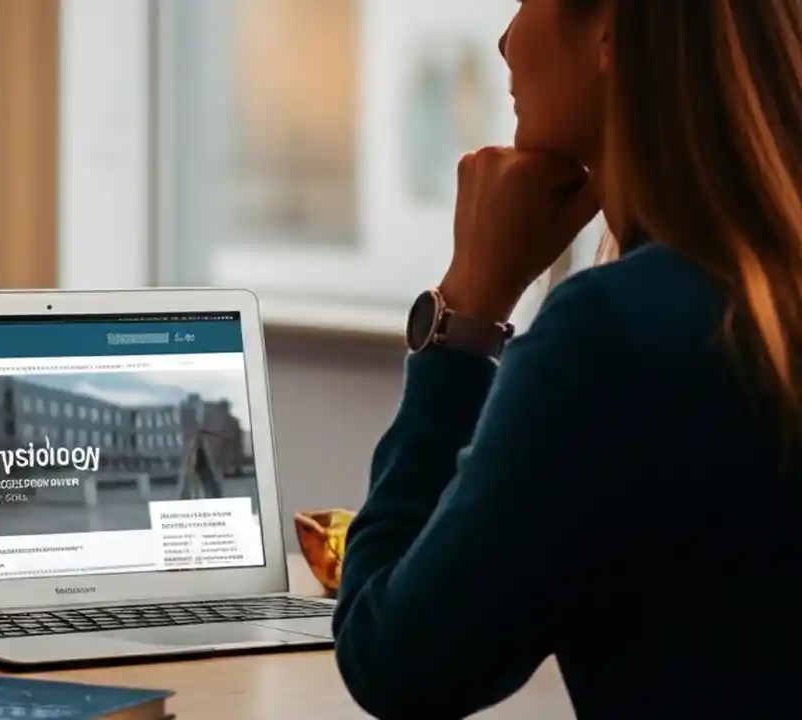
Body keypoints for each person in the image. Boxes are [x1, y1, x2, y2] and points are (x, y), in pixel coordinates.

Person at [332, 1, 802, 718]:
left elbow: (394, 660)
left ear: (609, 30)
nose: (505, 40)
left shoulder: (614, 338)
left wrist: (464, 317)